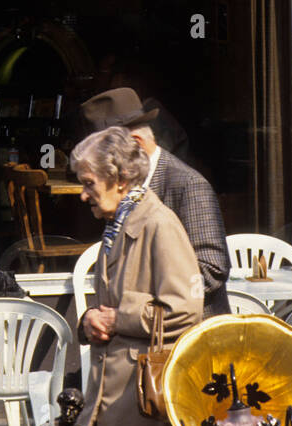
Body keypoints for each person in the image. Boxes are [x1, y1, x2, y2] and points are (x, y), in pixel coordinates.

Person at [71, 126, 203, 426]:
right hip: (111, 393)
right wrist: (89, 318)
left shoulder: (157, 223)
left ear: (120, 178)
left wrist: (120, 315)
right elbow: (105, 304)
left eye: (89, 182)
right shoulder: (118, 224)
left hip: (140, 396)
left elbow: (187, 305)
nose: (84, 193)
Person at [81, 88, 230, 316]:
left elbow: (212, 272)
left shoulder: (188, 185)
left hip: (189, 339)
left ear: (137, 144)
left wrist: (134, 310)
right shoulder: (120, 189)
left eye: (106, 155)